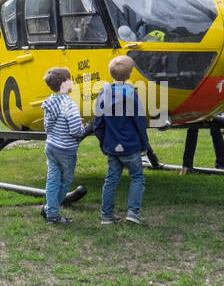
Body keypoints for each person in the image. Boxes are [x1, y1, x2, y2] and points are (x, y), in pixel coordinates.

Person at [90, 55, 151, 226]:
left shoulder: (103, 94)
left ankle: (106, 216)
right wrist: (144, 145)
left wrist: (103, 143)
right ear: (131, 74)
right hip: (131, 146)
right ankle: (133, 212)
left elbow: (98, 124)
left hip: (111, 146)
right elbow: (140, 123)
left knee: (111, 180)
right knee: (137, 178)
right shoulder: (132, 95)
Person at [41, 66, 84, 225]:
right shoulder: (70, 105)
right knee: (65, 181)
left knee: (52, 180)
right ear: (63, 84)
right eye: (69, 79)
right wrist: (82, 127)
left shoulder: (49, 103)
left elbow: (47, 127)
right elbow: (75, 131)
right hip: (66, 150)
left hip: (51, 147)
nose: (71, 81)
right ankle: (51, 211)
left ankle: (50, 211)